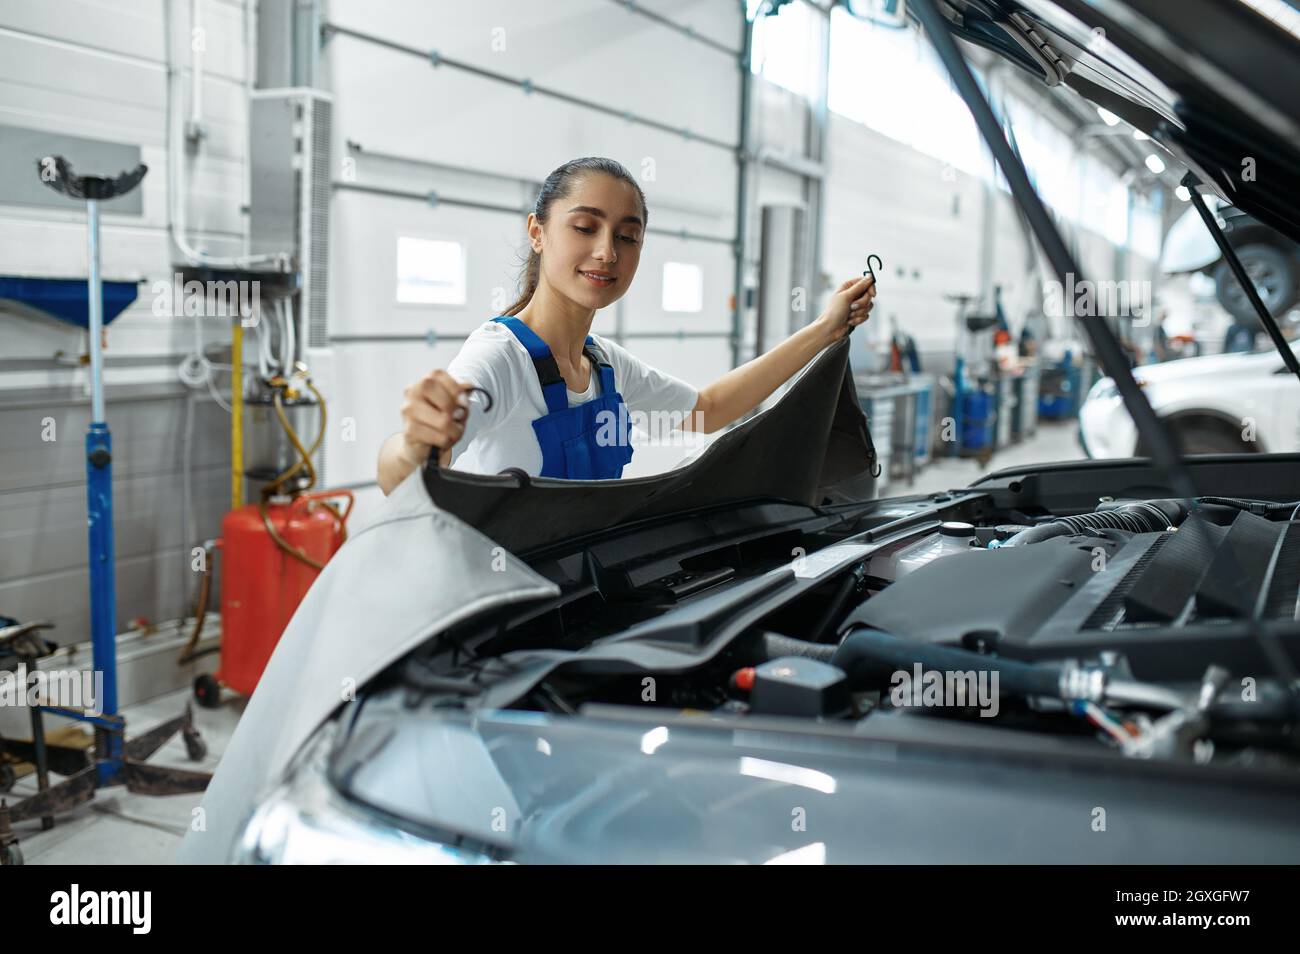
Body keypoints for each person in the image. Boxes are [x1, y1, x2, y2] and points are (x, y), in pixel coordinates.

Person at [377, 156, 876, 493]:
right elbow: (402, 475)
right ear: (537, 232)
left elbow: (707, 410)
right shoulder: (500, 359)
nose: (607, 252)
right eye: (585, 226)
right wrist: (417, 443)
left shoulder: (605, 368)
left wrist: (825, 330)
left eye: (628, 235)